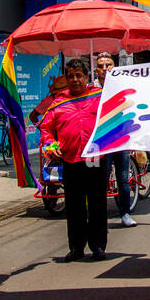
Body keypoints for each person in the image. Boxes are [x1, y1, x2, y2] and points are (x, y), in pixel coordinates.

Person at [38, 59, 106, 261]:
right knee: (74, 205)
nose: (75, 79)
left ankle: (98, 246)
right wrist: (50, 145)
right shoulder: (57, 101)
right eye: (71, 76)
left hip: (95, 157)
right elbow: (46, 129)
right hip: (70, 158)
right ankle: (76, 248)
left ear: (86, 77)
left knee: (96, 204)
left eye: (79, 75)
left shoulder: (99, 96)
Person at [94, 52, 136, 227]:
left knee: (123, 178)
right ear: (96, 69)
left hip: (120, 140)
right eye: (101, 66)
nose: (105, 68)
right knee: (97, 179)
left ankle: (125, 213)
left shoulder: (122, 87)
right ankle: (97, 214)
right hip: (99, 143)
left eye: (108, 65)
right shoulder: (91, 90)